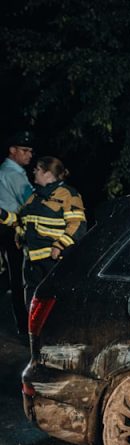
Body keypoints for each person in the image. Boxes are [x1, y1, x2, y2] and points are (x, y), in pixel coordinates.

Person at [0, 156, 87, 310]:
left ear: (47, 173)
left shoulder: (68, 194)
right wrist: (2, 215)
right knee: (33, 306)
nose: (34, 171)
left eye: (38, 169)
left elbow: (77, 224)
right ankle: (33, 333)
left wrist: (60, 246)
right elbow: (20, 221)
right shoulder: (34, 197)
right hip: (32, 261)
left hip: (53, 261)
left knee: (55, 305)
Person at [0, 131, 34, 333]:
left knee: (13, 278)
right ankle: (24, 325)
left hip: (7, 227)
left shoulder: (8, 170)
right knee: (20, 279)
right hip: (12, 230)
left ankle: (22, 323)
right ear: (12, 150)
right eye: (25, 150)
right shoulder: (12, 173)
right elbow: (31, 203)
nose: (29, 155)